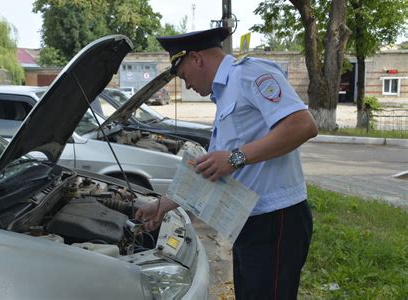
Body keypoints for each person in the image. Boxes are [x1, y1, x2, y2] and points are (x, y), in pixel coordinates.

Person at [135, 27, 318, 299]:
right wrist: (162, 206)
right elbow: (212, 169)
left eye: (183, 76)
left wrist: (235, 158)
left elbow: (303, 125)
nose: (186, 86)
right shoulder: (224, 95)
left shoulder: (250, 75)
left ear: (196, 58)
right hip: (250, 221)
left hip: (277, 221)